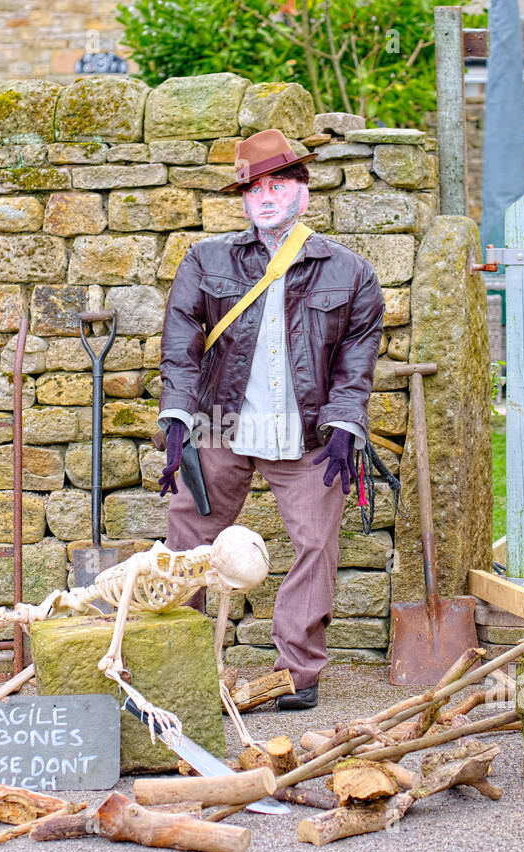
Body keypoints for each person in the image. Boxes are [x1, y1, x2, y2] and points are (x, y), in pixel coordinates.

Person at [155, 128, 385, 709]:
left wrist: (345, 425)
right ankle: (178, 661)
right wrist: (179, 415)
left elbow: (356, 361)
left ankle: (297, 673)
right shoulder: (205, 260)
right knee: (187, 542)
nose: (264, 196)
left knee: (316, 545)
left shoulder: (350, 272)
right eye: (253, 187)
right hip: (221, 424)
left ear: (303, 194)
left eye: (278, 183)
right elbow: (181, 343)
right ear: (243, 201)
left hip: (307, 432)